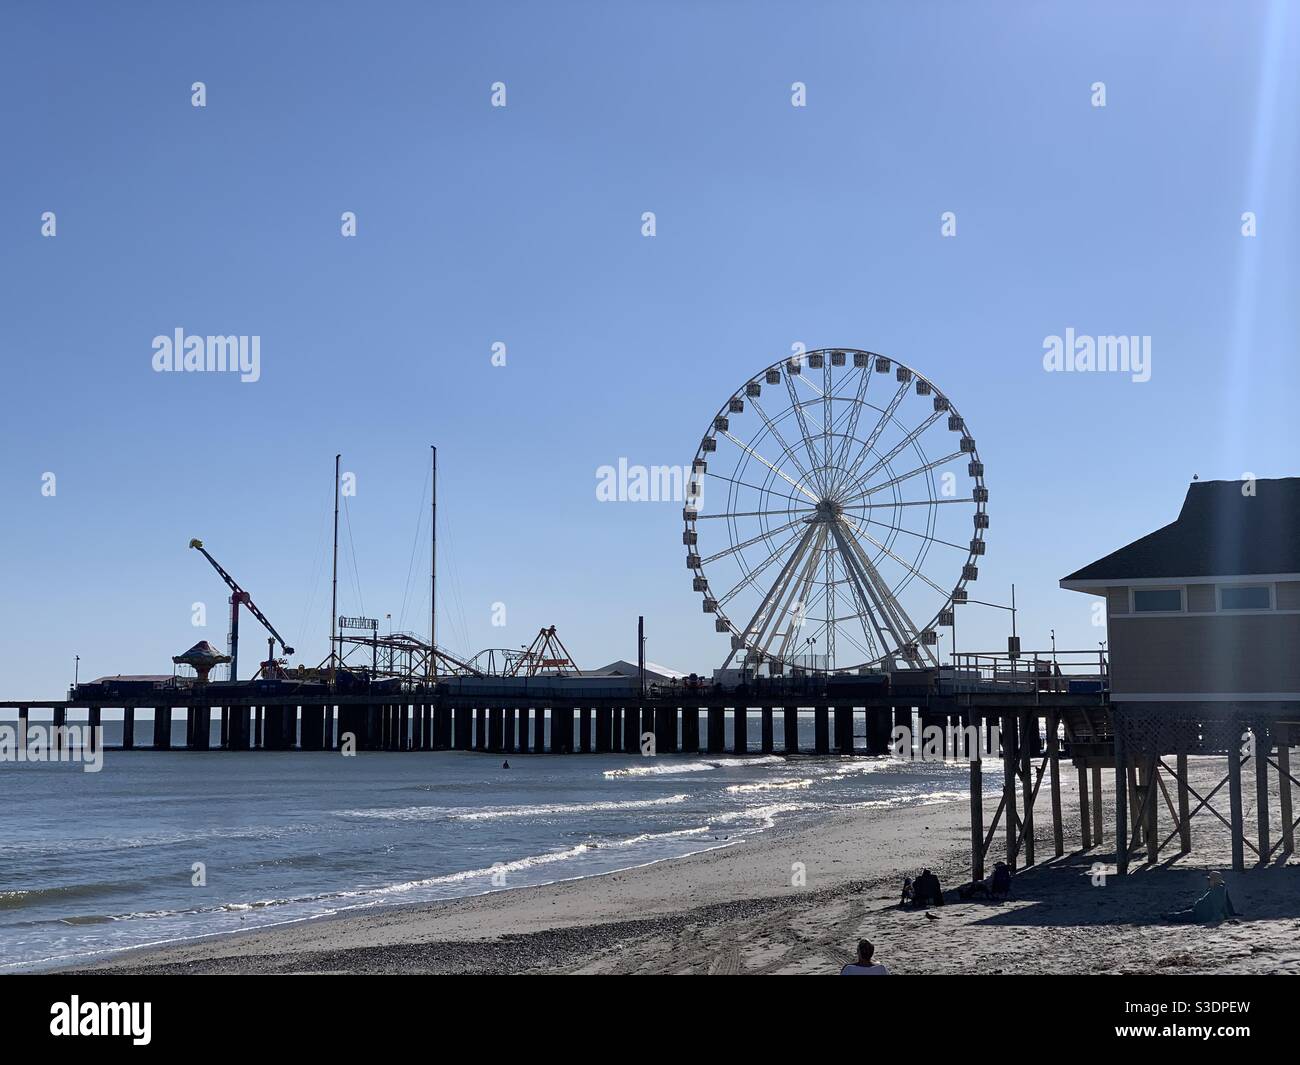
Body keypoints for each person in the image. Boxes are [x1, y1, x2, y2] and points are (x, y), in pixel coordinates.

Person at [1163, 871, 1240, 924]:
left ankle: (1168, 916)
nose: (1208, 882)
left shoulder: (1215, 891)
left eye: (1209, 880)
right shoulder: (1221, 889)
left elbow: (1216, 905)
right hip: (1200, 910)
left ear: (1213, 881)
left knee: (1181, 916)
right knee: (1185, 912)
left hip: (1200, 914)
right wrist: (1230, 914)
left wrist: (1217, 918)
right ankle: (1169, 915)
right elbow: (1227, 904)